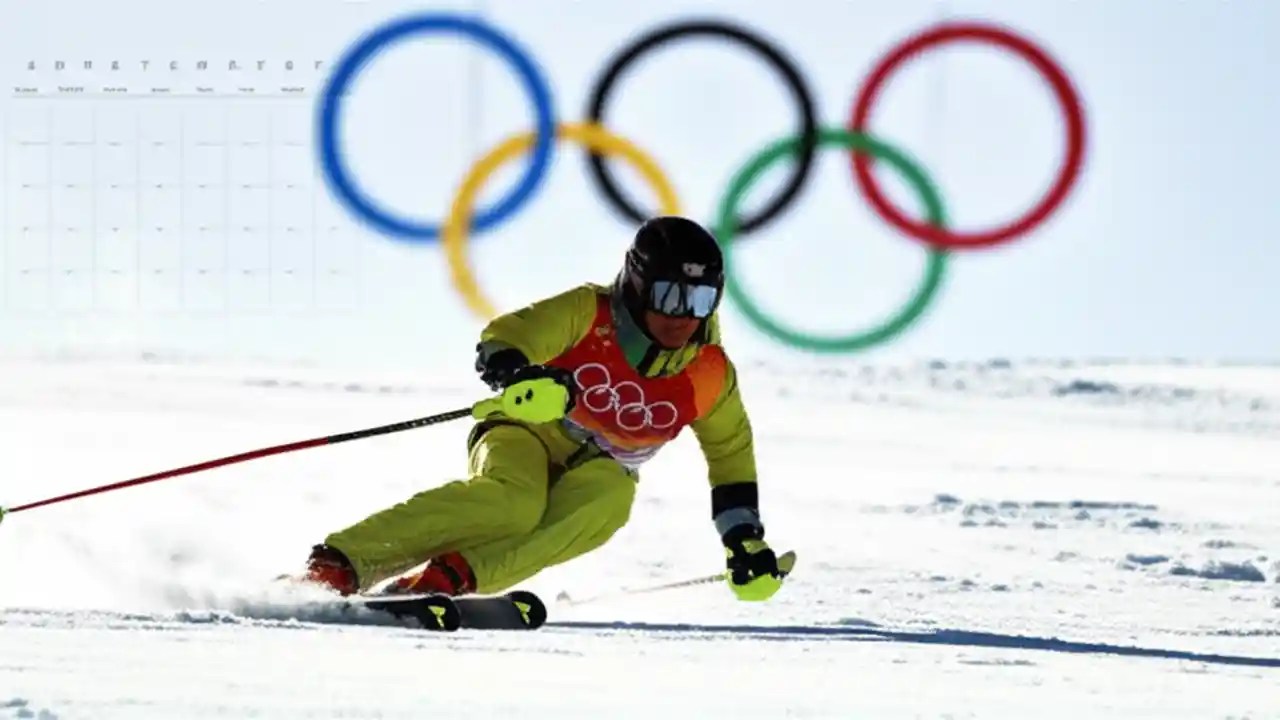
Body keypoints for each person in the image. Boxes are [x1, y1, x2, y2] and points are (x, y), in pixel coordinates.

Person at [300, 216, 784, 602]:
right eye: (669, 295)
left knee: (610, 503)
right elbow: (504, 339)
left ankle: (448, 579)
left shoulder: (709, 373)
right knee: (513, 503)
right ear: (637, 284)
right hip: (525, 432)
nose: (683, 315)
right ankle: (343, 563)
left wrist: (744, 541)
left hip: (603, 465)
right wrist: (520, 374)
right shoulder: (588, 313)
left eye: (701, 298)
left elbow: (730, 459)